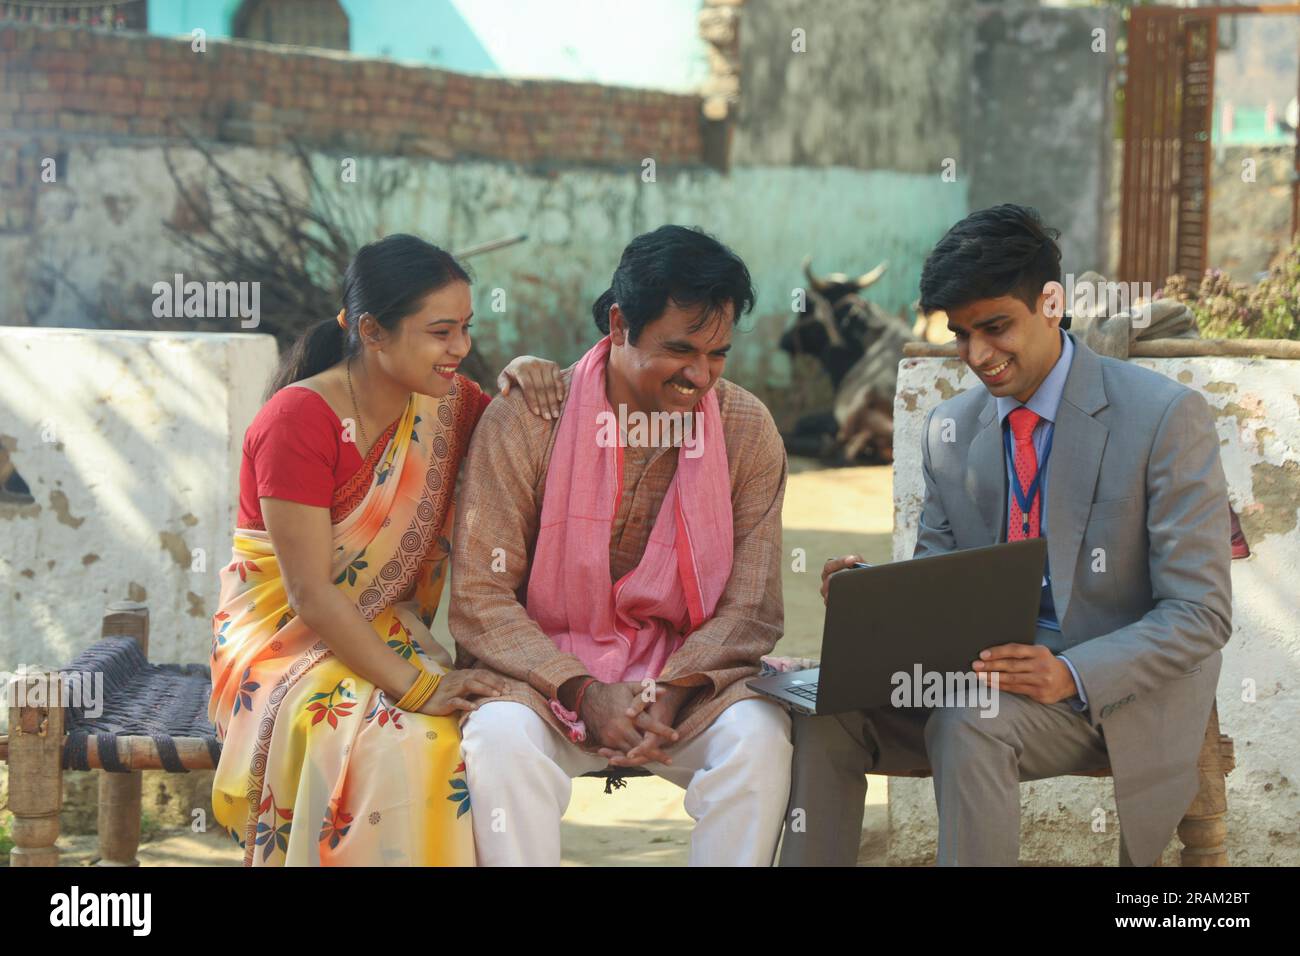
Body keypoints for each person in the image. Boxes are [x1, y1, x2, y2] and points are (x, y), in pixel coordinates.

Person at [780, 204, 1232, 867]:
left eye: (995, 328)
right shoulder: (949, 430)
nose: (977, 356)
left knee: (971, 721)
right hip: (971, 678)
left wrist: (1069, 672)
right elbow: (940, 580)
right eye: (961, 334)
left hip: (1107, 692)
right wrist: (868, 596)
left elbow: (1201, 613)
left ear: (1052, 302)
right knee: (822, 712)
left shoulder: (1164, 418)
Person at [208, 233, 565, 866]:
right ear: (372, 331)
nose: (462, 349)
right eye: (441, 332)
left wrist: (527, 372)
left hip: (386, 630)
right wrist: (416, 687)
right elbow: (309, 594)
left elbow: (517, 443)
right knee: (394, 743)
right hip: (284, 641)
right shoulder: (299, 421)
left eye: (466, 329)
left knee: (470, 738)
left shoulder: (449, 407)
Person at [450, 225, 793, 866]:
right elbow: (479, 597)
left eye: (718, 354)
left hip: (683, 685)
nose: (700, 376)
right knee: (498, 738)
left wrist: (670, 689)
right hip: (542, 680)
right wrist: (581, 689)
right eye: (680, 350)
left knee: (759, 737)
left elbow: (752, 606)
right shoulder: (528, 418)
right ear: (618, 325)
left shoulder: (746, 429)